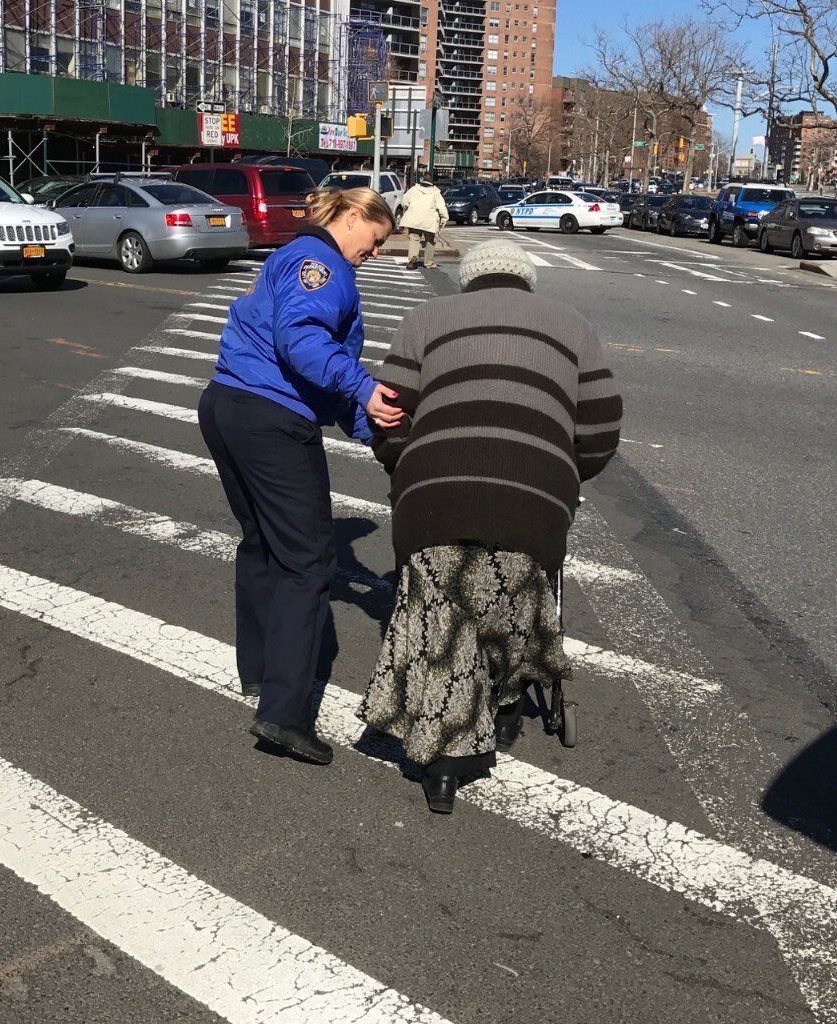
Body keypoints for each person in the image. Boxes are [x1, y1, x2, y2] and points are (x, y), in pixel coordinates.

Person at [358, 239, 622, 813]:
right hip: (535, 497)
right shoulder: (573, 325)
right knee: (511, 593)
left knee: (442, 621)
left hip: (434, 495)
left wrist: (402, 463)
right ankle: (504, 708)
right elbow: (601, 427)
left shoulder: (427, 317)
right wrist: (560, 475)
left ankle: (444, 767)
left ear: (467, 281)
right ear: (526, 282)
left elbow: (390, 408)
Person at [198, 187, 403, 766]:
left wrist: (371, 433)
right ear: (355, 215)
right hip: (271, 420)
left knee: (262, 544)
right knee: (308, 562)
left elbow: (307, 368)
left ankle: (261, 671)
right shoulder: (323, 266)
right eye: (378, 239)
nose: (378, 252)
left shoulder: (289, 257)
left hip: (228, 404)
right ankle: (284, 715)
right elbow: (304, 343)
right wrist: (366, 389)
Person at [401, 173, 448, 270]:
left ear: (422, 180)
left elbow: (404, 202)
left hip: (414, 218)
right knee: (430, 241)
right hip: (429, 220)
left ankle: (413, 257)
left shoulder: (413, 189)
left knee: (414, 238)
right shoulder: (435, 192)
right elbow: (442, 208)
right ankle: (428, 262)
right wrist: (444, 219)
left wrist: (407, 209)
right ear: (432, 182)